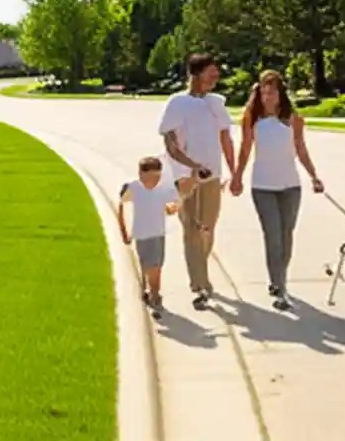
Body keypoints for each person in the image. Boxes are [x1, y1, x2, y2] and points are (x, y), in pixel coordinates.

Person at [230, 70, 325, 311]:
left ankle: (278, 278)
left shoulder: (293, 118)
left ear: (280, 93)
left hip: (290, 186)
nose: (267, 95)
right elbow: (245, 149)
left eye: (271, 90)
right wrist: (237, 176)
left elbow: (301, 149)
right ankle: (279, 287)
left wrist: (314, 176)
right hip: (263, 186)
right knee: (272, 236)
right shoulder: (252, 118)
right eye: (263, 90)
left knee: (286, 235)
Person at [159, 52, 235, 311]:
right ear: (195, 74)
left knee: (208, 228)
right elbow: (169, 144)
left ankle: (200, 274)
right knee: (191, 229)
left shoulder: (216, 103)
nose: (215, 77)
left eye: (216, 72)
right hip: (186, 178)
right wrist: (192, 167)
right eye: (210, 72)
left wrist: (234, 171)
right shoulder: (177, 103)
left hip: (213, 176)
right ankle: (200, 284)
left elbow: (226, 138)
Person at [117, 156, 195, 317]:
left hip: (157, 235)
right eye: (148, 177)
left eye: (156, 177)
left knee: (156, 267)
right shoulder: (134, 188)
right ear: (140, 174)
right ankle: (147, 289)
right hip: (140, 234)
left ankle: (155, 295)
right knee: (146, 265)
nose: (152, 181)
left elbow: (176, 202)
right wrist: (124, 232)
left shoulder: (165, 189)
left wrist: (173, 207)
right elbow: (121, 205)